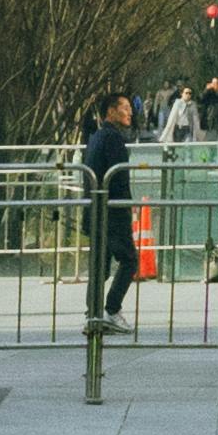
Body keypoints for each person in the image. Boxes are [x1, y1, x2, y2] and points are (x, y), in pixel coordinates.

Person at [79, 92, 138, 331]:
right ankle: (111, 310)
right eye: (124, 107)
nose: (130, 112)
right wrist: (126, 207)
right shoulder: (113, 139)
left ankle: (93, 313)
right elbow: (118, 178)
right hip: (112, 212)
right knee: (129, 260)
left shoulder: (96, 137)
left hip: (95, 210)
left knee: (100, 265)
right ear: (111, 112)